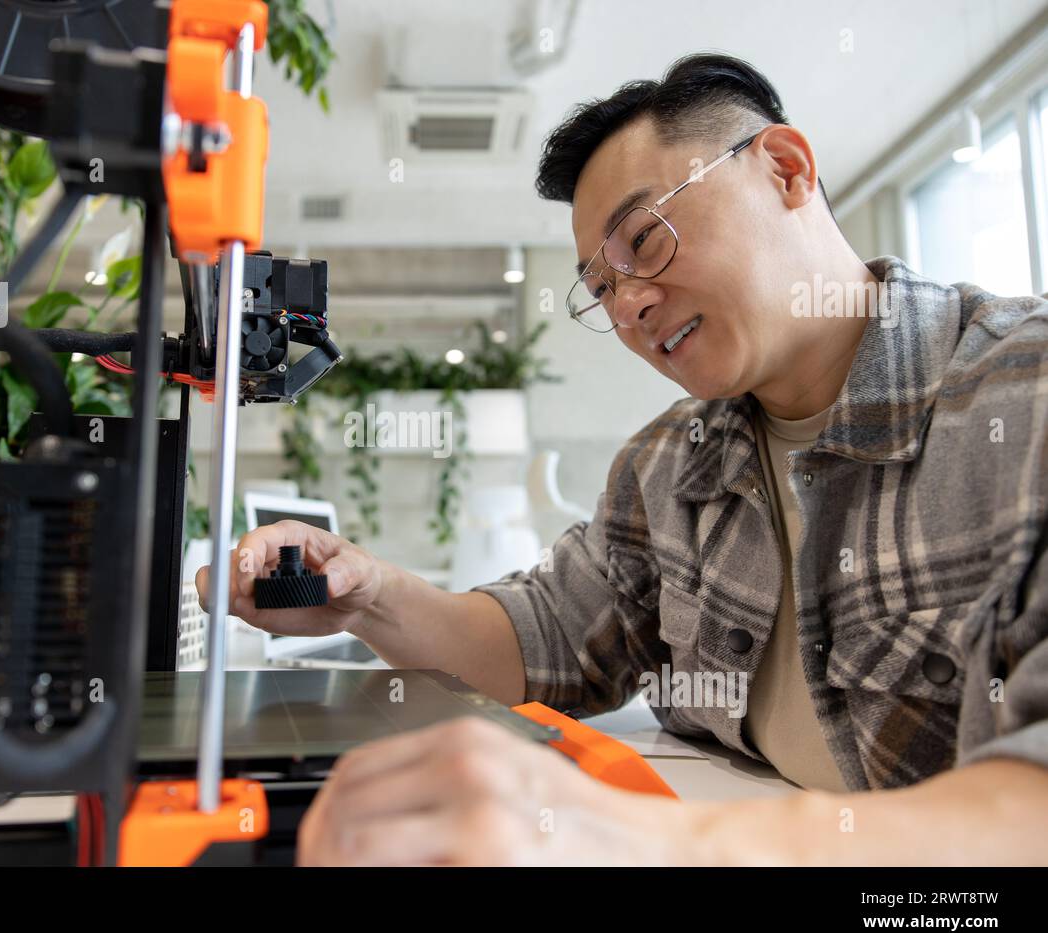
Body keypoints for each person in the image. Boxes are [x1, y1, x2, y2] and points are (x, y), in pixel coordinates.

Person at [199, 53, 1048, 865]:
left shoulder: (1022, 399)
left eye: (644, 240)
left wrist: (660, 846)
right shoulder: (670, 465)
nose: (631, 305)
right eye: (601, 287)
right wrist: (367, 595)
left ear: (786, 170)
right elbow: (544, 640)